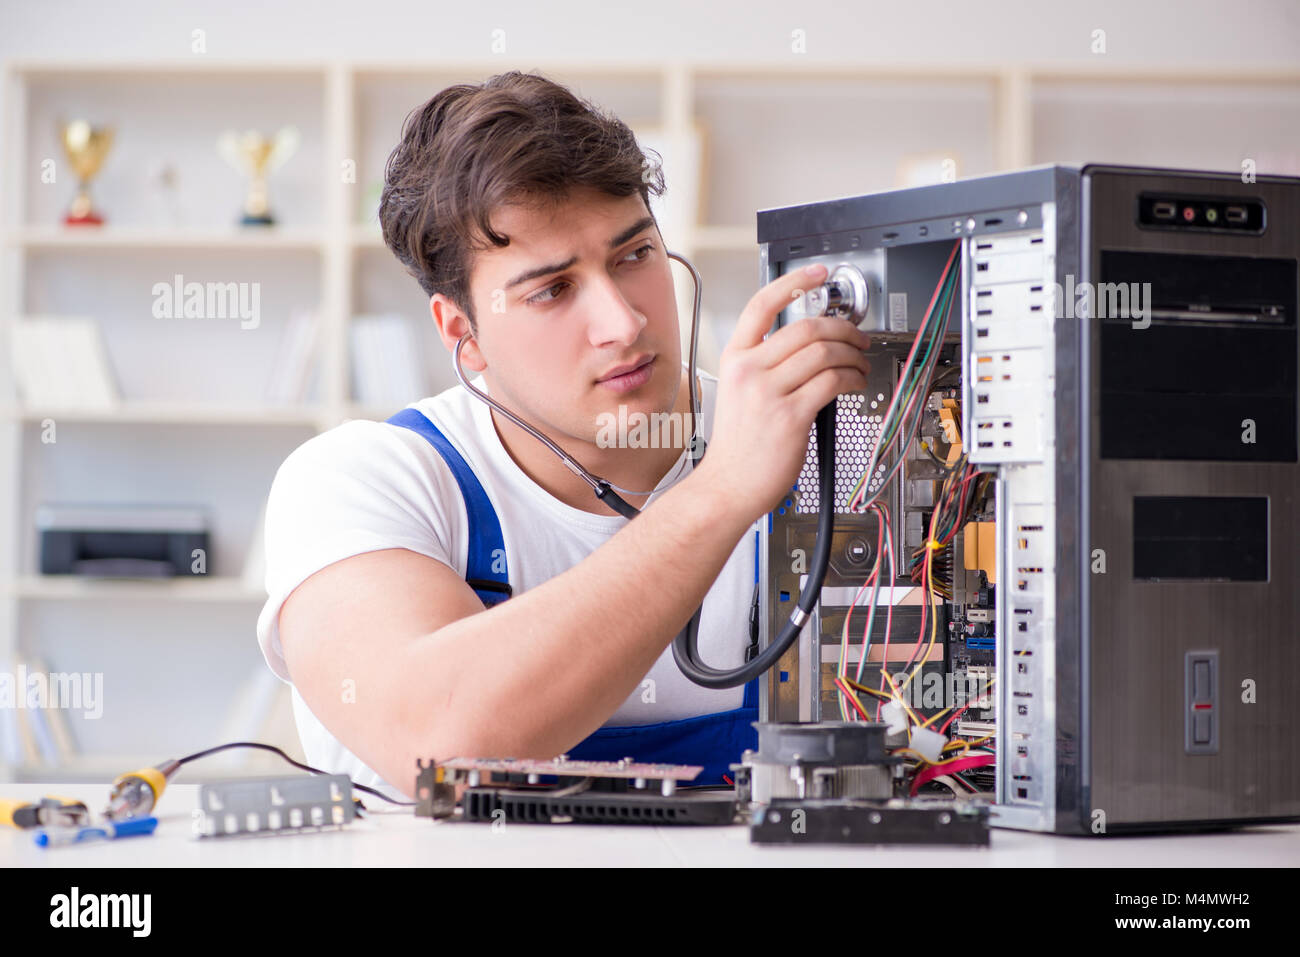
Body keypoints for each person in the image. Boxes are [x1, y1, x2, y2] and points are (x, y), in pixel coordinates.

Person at [254, 70, 870, 801]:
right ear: (465, 334)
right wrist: (723, 490)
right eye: (552, 289)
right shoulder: (361, 480)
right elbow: (440, 742)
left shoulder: (820, 451)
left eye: (634, 255)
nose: (624, 322)